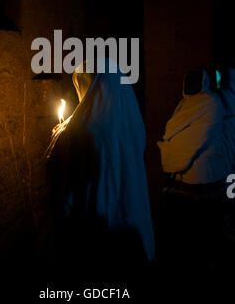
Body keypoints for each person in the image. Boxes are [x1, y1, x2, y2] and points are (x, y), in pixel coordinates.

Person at [46, 59, 155, 285]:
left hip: (94, 220)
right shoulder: (131, 120)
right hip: (129, 215)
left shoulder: (79, 129)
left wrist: (59, 136)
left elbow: (57, 167)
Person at [158, 67, 228, 273]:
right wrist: (171, 146)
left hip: (206, 182)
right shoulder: (184, 104)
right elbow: (172, 134)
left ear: (204, 82)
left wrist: (169, 148)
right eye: (188, 79)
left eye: (195, 79)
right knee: (185, 241)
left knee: (204, 240)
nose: (190, 84)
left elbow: (191, 141)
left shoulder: (212, 104)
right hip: (183, 185)